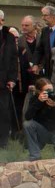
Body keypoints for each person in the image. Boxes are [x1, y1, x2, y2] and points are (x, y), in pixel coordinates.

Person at [24, 78, 55, 161]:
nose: (51, 93)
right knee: (28, 124)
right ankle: (35, 156)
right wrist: (38, 102)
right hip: (44, 132)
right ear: (39, 92)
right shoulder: (35, 99)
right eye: (48, 91)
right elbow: (27, 117)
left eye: (52, 90)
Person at [0, 19, 18, 147]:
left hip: (3, 81)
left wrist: (12, 79)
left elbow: (13, 59)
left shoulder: (9, 36)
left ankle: (3, 141)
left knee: (3, 112)